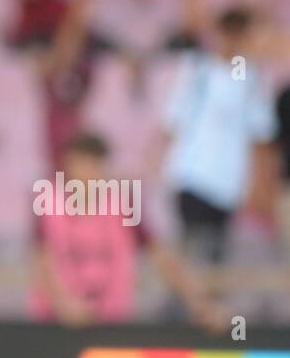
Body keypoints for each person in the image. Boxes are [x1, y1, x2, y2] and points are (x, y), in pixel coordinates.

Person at [33, 132, 223, 329]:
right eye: (79, 166)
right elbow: (42, 261)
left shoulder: (122, 205)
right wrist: (65, 304)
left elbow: (162, 257)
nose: (85, 177)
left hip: (111, 321)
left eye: (92, 167)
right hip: (57, 322)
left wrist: (200, 304)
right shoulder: (48, 204)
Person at [153, 7, 278, 266]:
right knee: (193, 249)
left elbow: (261, 136)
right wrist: (155, 166)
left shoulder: (251, 80)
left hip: (228, 185)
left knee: (214, 257)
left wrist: (260, 184)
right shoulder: (197, 71)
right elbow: (172, 122)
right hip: (193, 176)